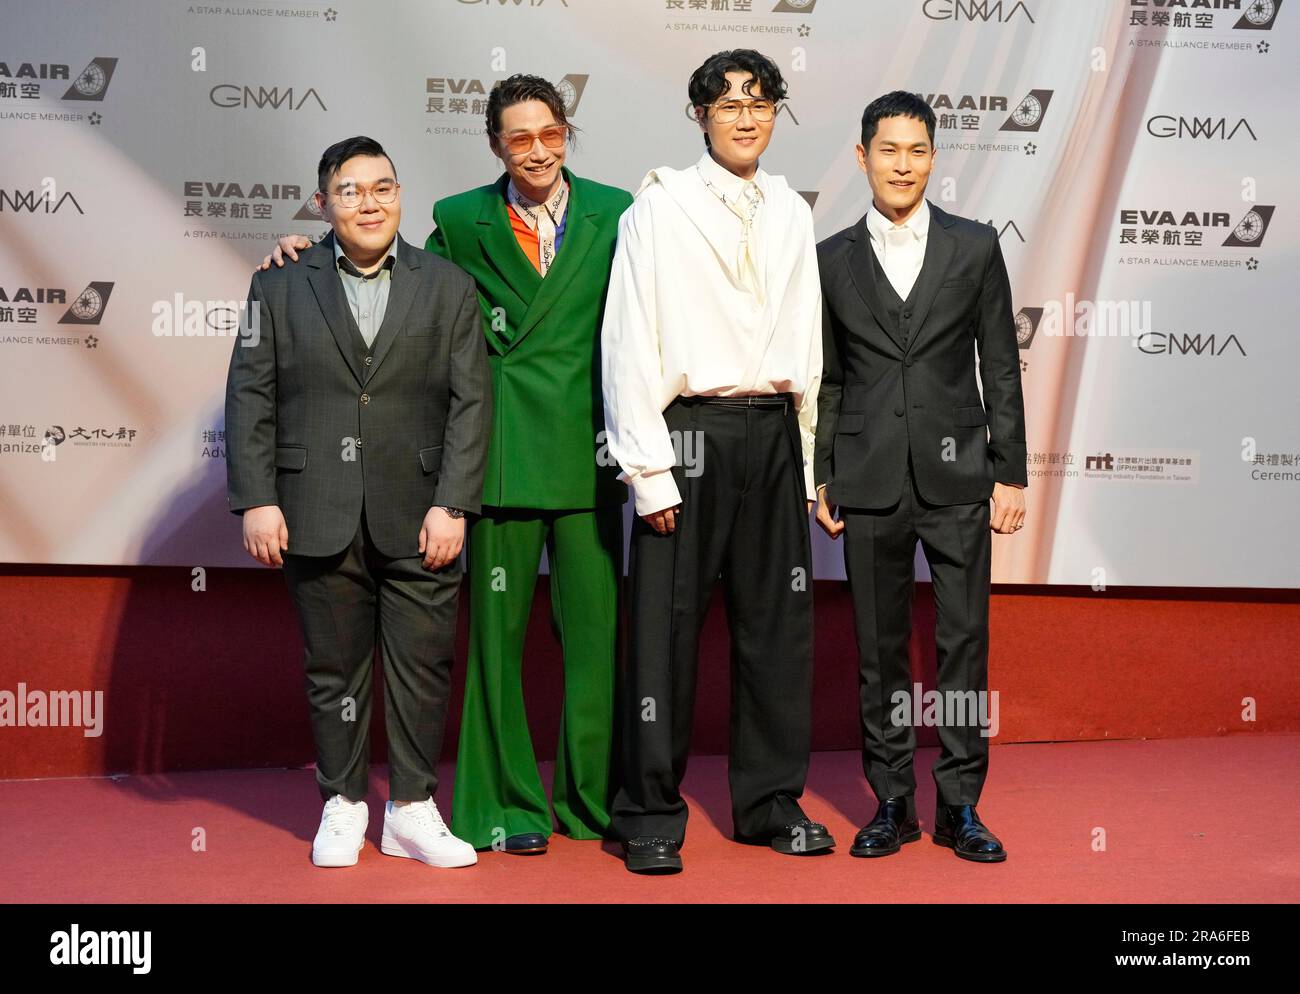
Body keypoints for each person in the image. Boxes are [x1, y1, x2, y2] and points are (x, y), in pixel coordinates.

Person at [261, 76, 631, 857]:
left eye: (550, 133)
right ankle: (502, 808)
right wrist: (307, 256)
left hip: (592, 451)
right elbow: (404, 301)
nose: (536, 150)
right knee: (493, 647)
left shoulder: (621, 210)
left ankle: (594, 801)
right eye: (518, 137)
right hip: (495, 458)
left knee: (596, 642)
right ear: (495, 143)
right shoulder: (459, 219)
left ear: (568, 133)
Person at [227, 136, 491, 869]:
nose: (369, 202)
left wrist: (455, 503)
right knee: (332, 670)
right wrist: (256, 498)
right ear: (322, 203)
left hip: (422, 513)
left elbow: (473, 403)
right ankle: (342, 804)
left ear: (400, 195)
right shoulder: (278, 285)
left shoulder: (447, 284)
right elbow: (251, 394)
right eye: (350, 190)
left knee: (423, 666)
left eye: (383, 187)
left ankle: (410, 809)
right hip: (314, 507)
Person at [601, 49, 830, 874]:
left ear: (776, 114)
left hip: (772, 433)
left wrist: (808, 467)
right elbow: (628, 345)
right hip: (686, 436)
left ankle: (772, 804)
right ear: (699, 114)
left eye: (761, 102)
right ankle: (649, 812)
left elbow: (808, 350)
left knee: (778, 632)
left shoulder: (791, 214)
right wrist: (649, 472)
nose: (745, 116)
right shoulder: (656, 210)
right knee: (661, 639)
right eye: (728, 103)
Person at [814, 91, 1028, 863]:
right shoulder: (830, 257)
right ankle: (894, 801)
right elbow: (830, 378)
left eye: (916, 151)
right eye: (887, 150)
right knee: (879, 648)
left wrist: (1010, 474)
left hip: (960, 478)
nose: (902, 165)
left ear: (933, 158)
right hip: (867, 479)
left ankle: (961, 805)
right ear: (863, 155)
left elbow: (999, 364)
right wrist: (823, 473)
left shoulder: (974, 247)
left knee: (964, 645)